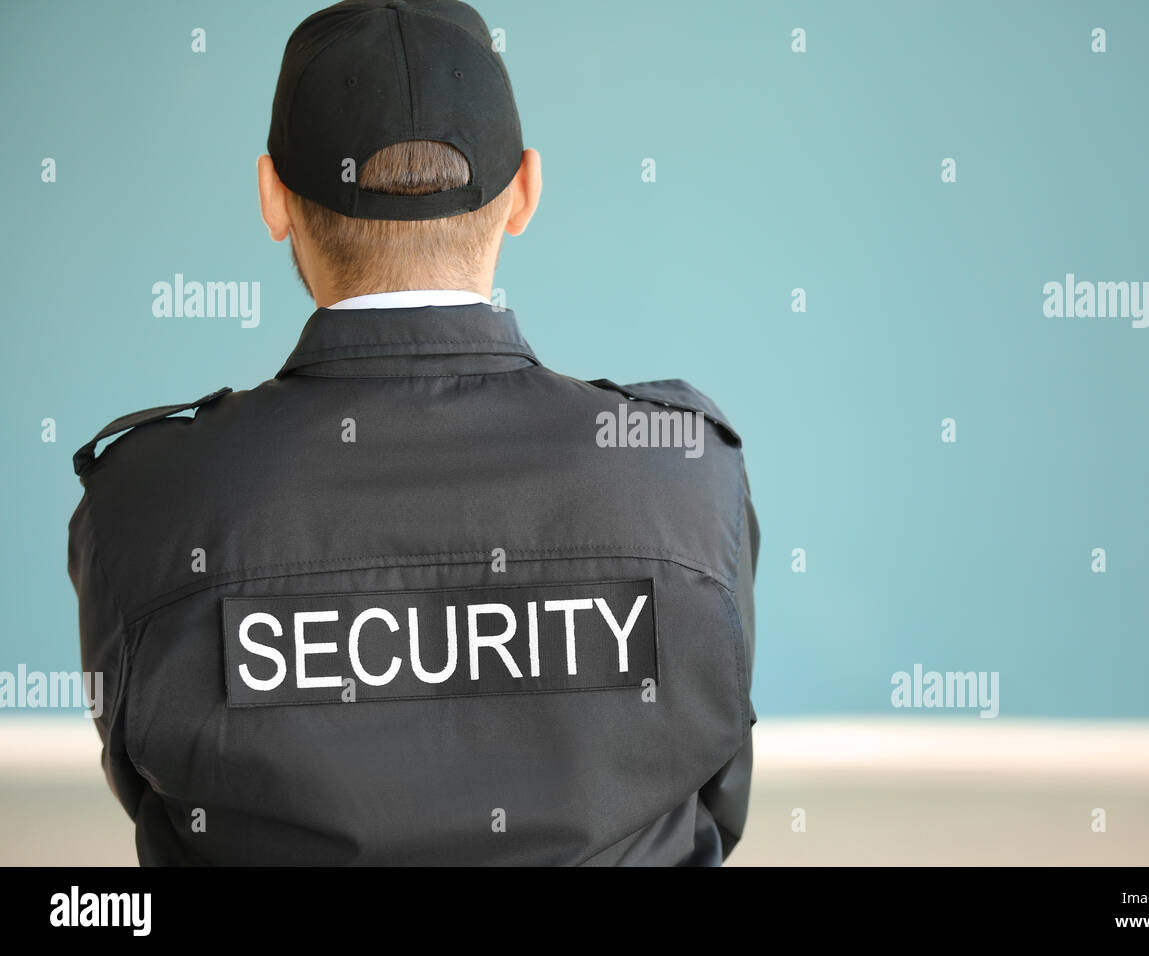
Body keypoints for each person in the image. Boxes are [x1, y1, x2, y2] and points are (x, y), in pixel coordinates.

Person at [68, 0, 759, 866]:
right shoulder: (683, 471)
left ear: (272, 197)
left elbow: (151, 797)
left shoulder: (142, 500)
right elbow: (716, 805)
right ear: (525, 194)